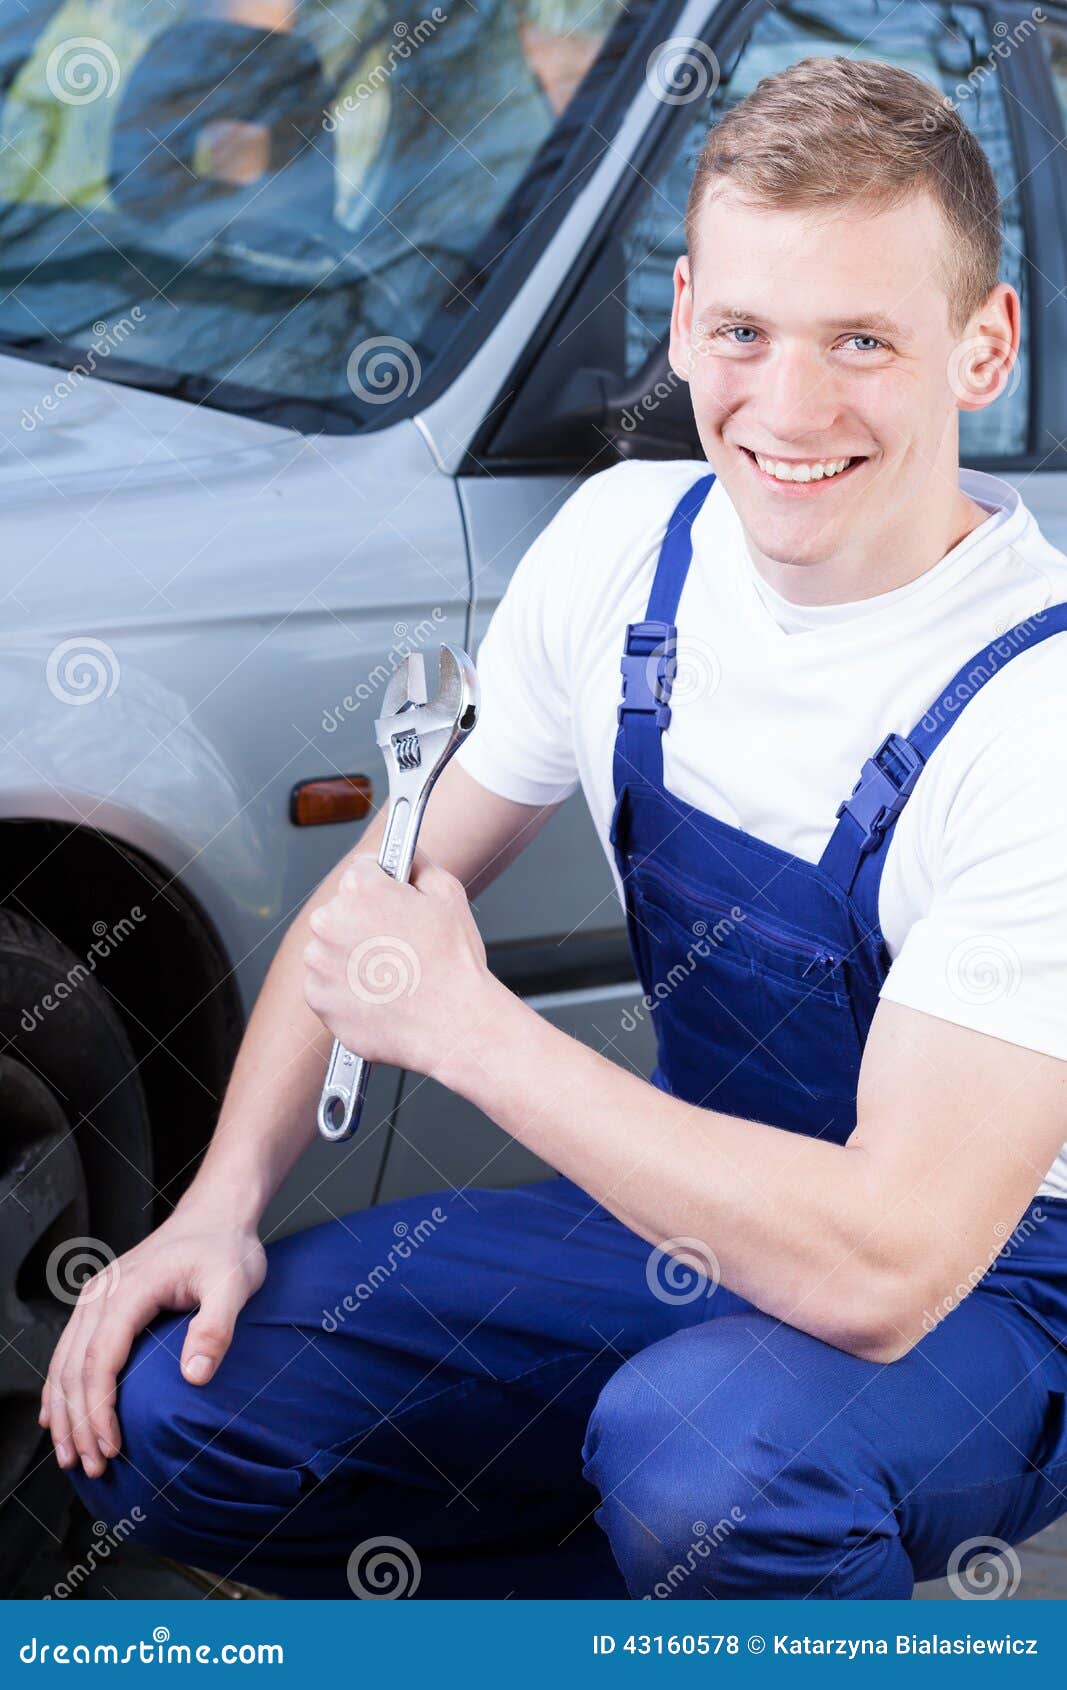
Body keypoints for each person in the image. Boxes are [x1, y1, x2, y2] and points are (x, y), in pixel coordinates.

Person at [48, 54, 1067, 1601]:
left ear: (981, 345)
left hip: (986, 1294)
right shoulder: (621, 554)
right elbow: (378, 902)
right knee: (181, 1404)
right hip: (682, 1209)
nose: (788, 409)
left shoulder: (1033, 714)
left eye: (862, 339)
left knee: (717, 1461)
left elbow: (883, 1266)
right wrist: (215, 1205)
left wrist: (473, 1033)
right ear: (680, 318)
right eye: (743, 332)